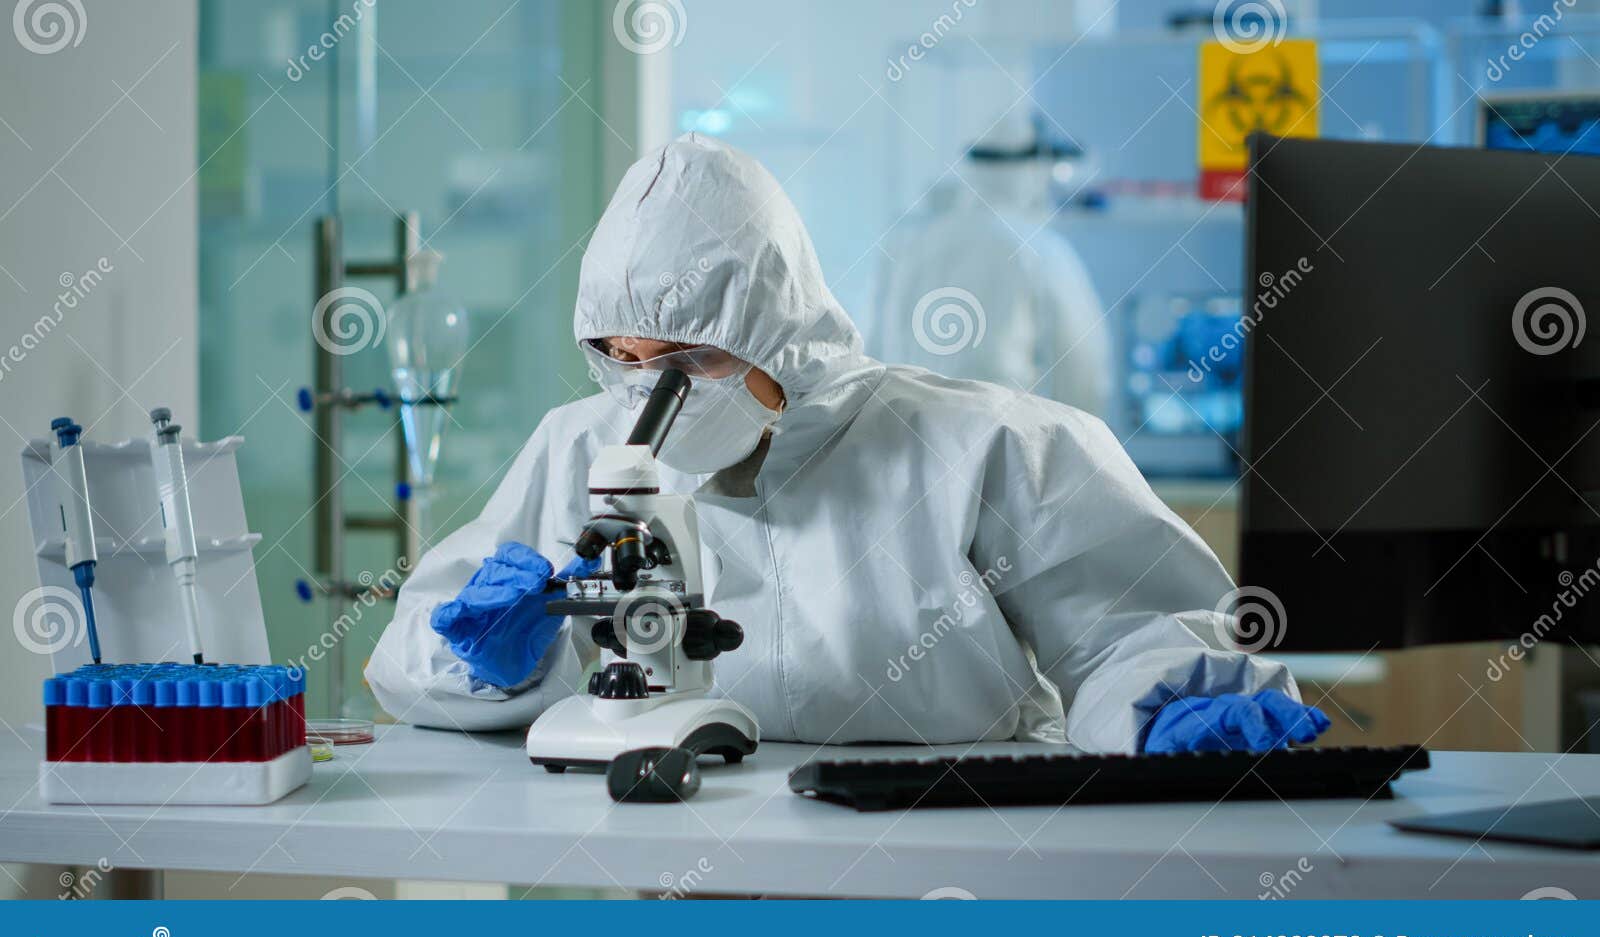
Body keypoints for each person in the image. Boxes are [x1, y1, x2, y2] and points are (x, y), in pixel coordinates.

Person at [366, 133, 1328, 754]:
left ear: (778, 333)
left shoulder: (979, 446)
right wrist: (487, 655)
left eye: (692, 359)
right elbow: (411, 656)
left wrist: (1168, 705)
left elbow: (1135, 634)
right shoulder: (579, 446)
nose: (650, 398)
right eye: (622, 358)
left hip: (948, 867)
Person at [872, 120, 1111, 416]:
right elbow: (1082, 368)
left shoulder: (909, 246)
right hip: (1002, 434)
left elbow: (874, 351)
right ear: (1034, 170)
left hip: (910, 432)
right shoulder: (1042, 252)